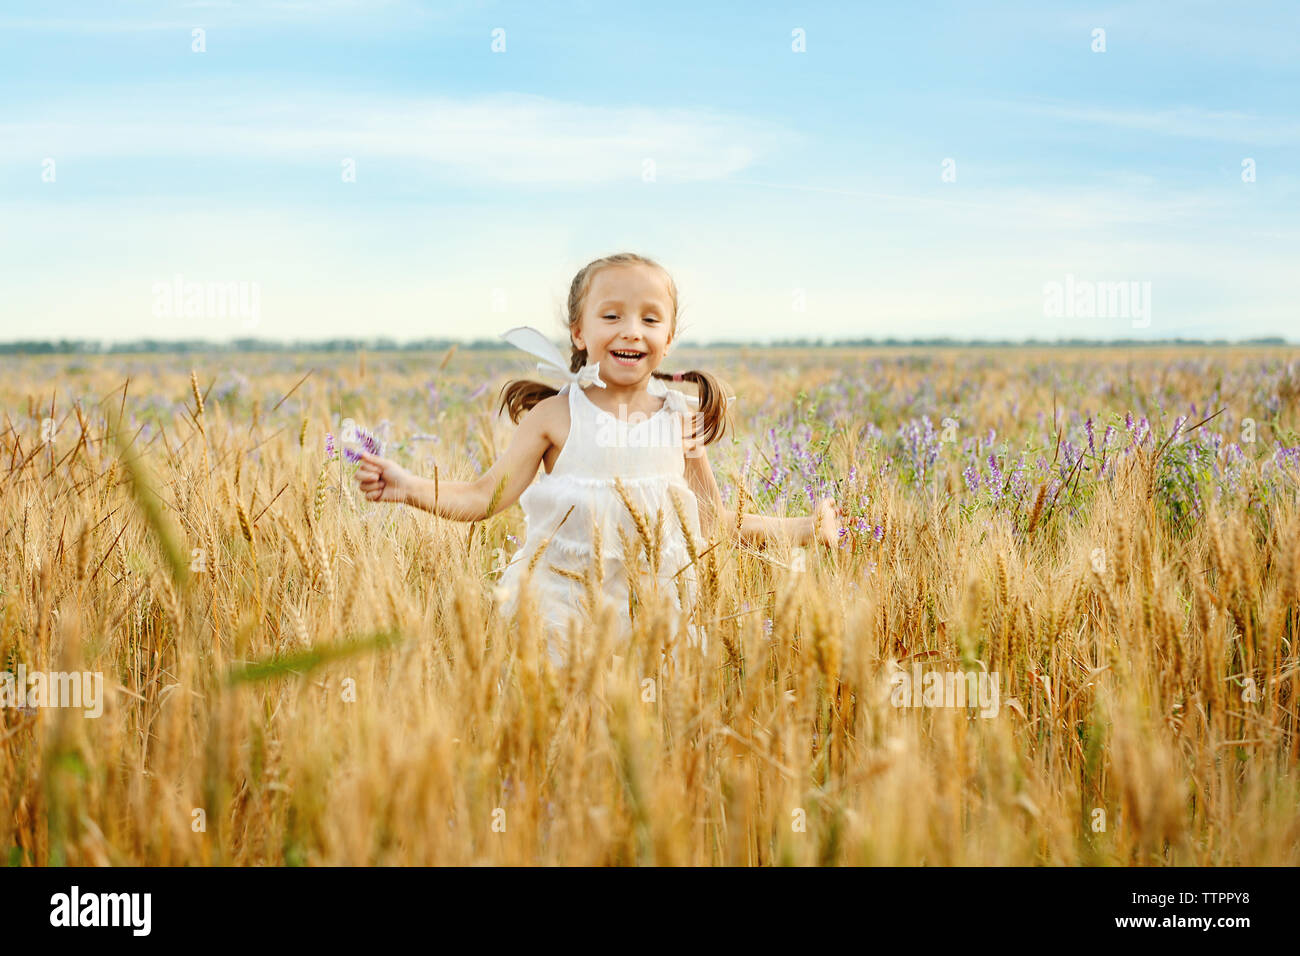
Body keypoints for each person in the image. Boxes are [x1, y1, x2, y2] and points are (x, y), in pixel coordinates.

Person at [355, 252, 842, 667]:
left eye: (650, 319)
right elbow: (485, 496)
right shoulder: (554, 416)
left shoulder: (678, 417)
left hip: (655, 617)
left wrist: (804, 528)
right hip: (560, 611)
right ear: (579, 332)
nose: (632, 331)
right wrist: (407, 486)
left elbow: (712, 520)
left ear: (669, 338)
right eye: (612, 316)